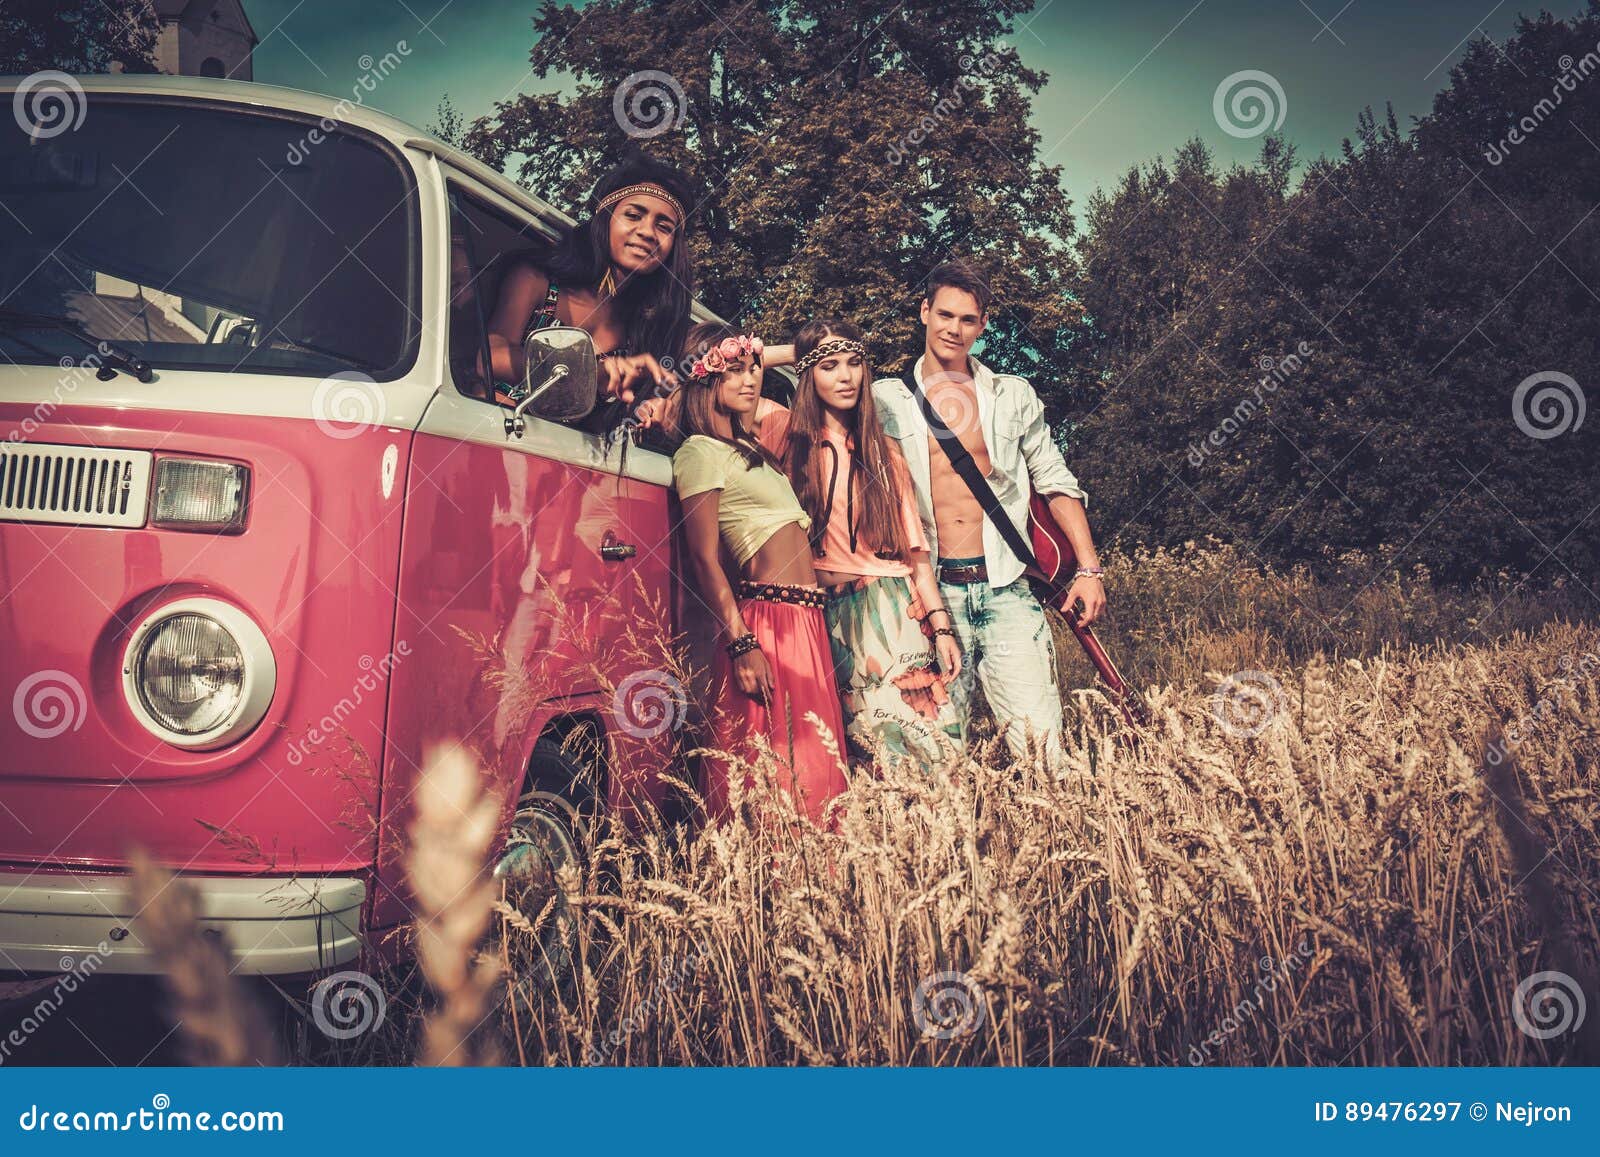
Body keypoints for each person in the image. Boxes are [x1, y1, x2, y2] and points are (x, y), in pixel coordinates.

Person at [868, 259, 1106, 767]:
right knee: (928, 762)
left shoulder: (1012, 395)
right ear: (924, 311)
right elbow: (808, 417)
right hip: (927, 599)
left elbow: (1056, 481)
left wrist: (1088, 570)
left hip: (1007, 591)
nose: (955, 329)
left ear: (983, 324)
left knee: (1042, 752)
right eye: (945, 315)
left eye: (968, 319)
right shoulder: (885, 400)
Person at [759, 319, 965, 770]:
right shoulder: (782, 431)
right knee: (855, 755)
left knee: (920, 746)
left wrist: (942, 626)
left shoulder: (882, 452)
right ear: (808, 375)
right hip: (811, 613)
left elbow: (916, 557)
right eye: (830, 366)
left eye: (854, 363)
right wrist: (797, 353)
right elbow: (720, 374)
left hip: (887, 612)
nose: (846, 376)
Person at [671, 322, 849, 827]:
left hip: (809, 622)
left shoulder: (756, 453)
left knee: (817, 767)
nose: (751, 380)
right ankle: (767, 888)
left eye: (755, 370)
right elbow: (705, 558)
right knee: (779, 767)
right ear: (706, 379)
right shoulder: (699, 452)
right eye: (736, 371)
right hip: (768, 625)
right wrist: (741, 643)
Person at [483, 152, 695, 418]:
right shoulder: (538, 280)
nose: (647, 232)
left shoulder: (645, 327)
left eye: (664, 227)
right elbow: (487, 358)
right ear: (604, 219)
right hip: (494, 429)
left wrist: (649, 408)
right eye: (632, 215)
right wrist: (588, 372)